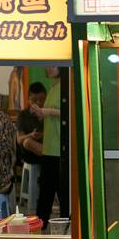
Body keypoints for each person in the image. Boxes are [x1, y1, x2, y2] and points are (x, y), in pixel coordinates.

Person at [28, 67, 67, 223]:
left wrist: (46, 111)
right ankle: (40, 226)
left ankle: (66, 227)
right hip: (49, 146)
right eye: (48, 64)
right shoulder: (53, 87)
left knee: (61, 193)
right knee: (45, 192)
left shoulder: (67, 85)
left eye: (54, 64)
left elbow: (69, 111)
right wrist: (41, 112)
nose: (49, 68)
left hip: (60, 148)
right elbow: (53, 114)